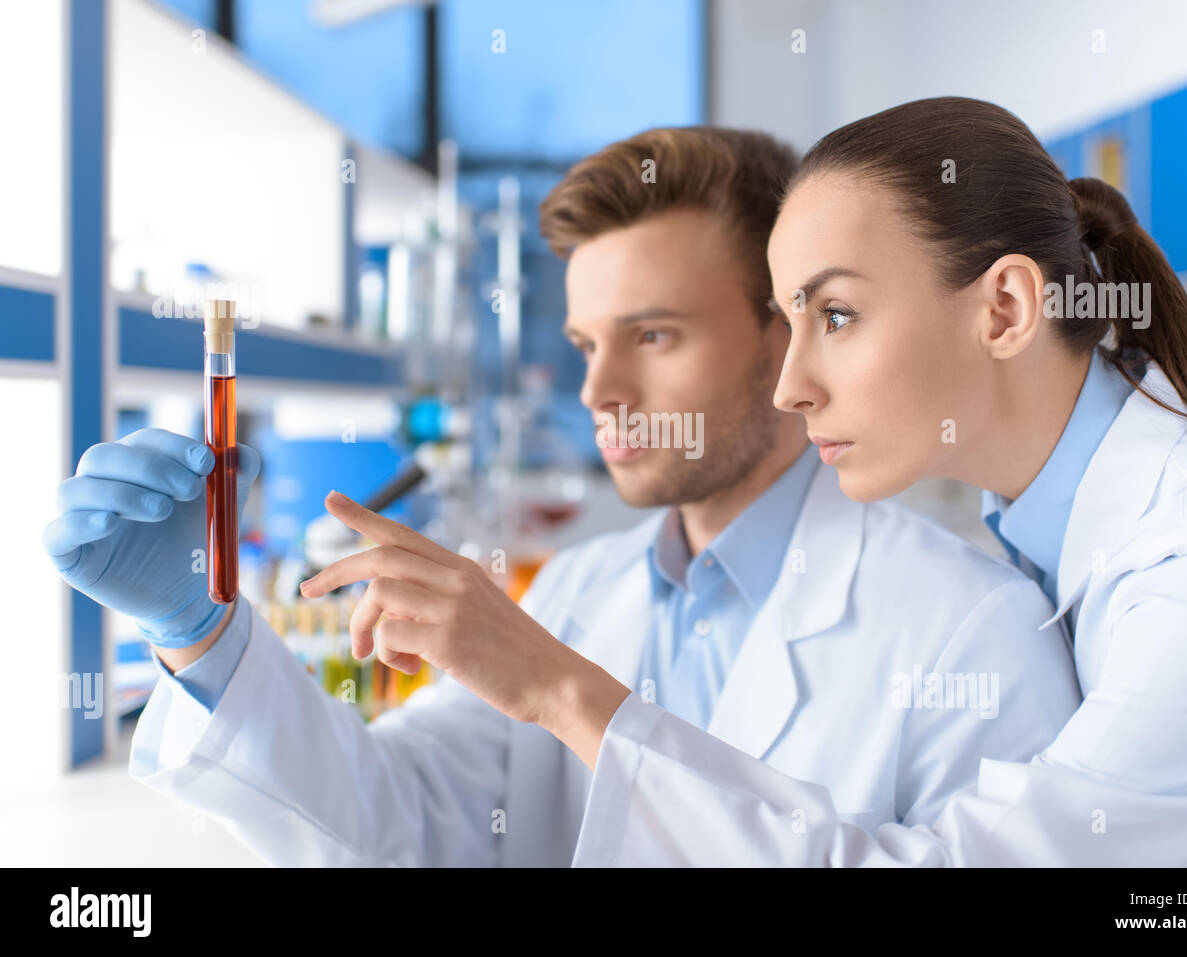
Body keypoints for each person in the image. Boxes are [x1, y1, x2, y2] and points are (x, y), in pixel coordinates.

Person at [43, 125, 1080, 867]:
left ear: (783, 331)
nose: (599, 391)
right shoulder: (580, 593)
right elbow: (387, 823)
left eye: (653, 336)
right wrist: (202, 631)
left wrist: (558, 688)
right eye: (587, 344)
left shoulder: (973, 631)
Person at [548, 97, 1187, 866]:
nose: (790, 386)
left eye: (836, 315)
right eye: (790, 319)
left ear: (1005, 308)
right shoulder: (1041, 527)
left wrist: (571, 700)